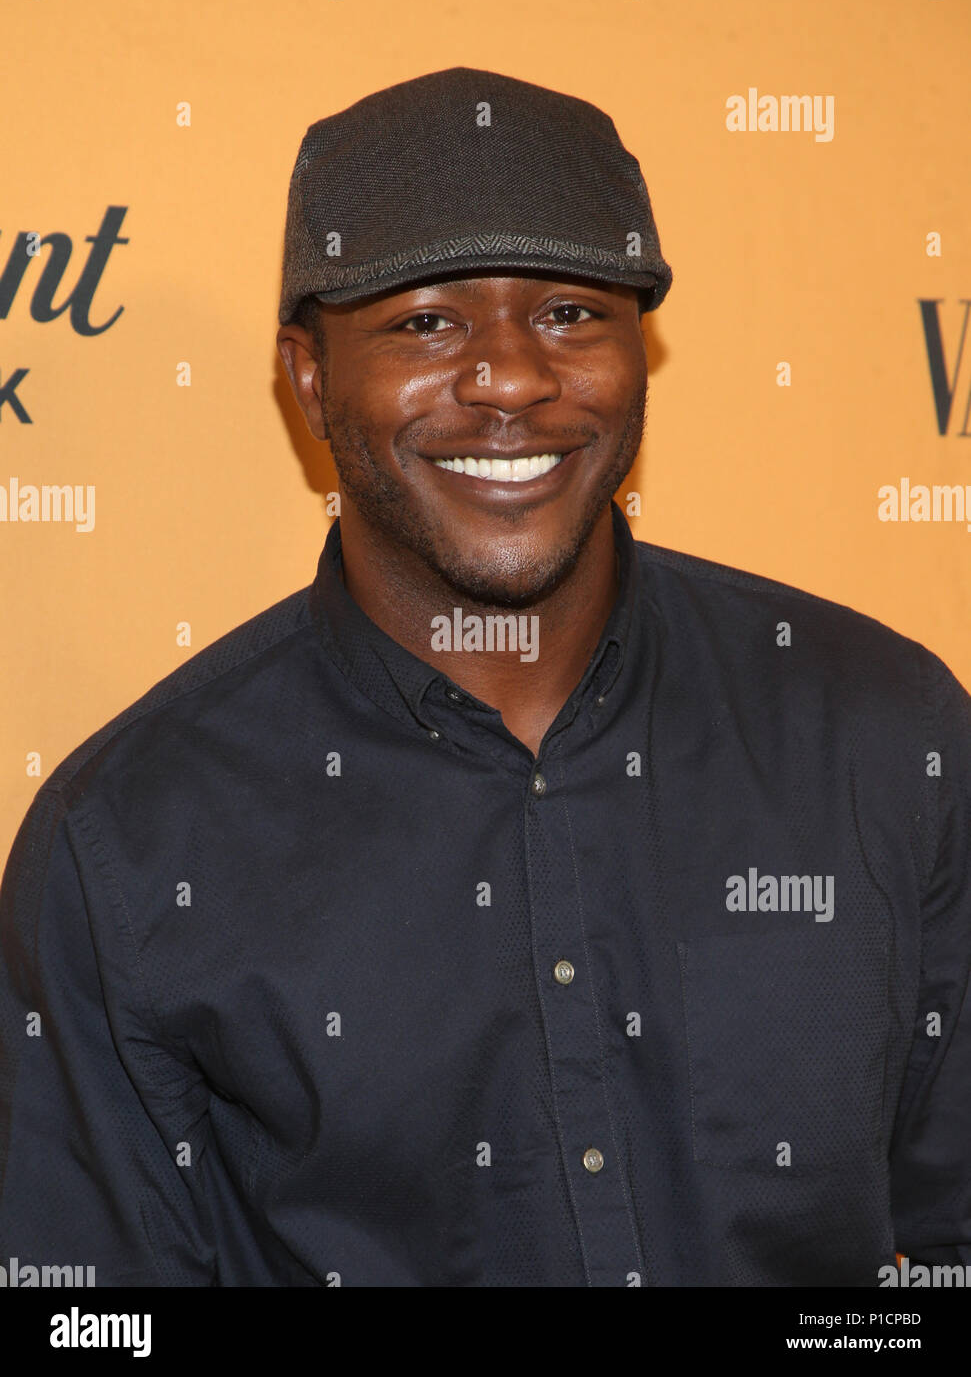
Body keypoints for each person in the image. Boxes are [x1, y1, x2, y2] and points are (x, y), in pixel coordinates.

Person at [1, 66, 968, 1288]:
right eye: (425, 322)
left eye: (568, 312)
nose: (510, 378)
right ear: (308, 378)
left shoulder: (882, 731)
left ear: (639, 355)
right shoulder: (127, 844)